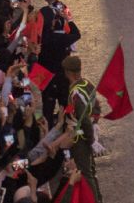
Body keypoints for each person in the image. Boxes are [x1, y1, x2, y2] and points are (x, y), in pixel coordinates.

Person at [60, 55, 103, 203]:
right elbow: (96, 105)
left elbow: (83, 120)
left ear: (68, 72)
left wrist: (90, 140)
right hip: (88, 133)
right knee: (90, 170)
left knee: (85, 173)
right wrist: (95, 123)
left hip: (81, 138)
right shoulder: (87, 84)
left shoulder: (75, 93)